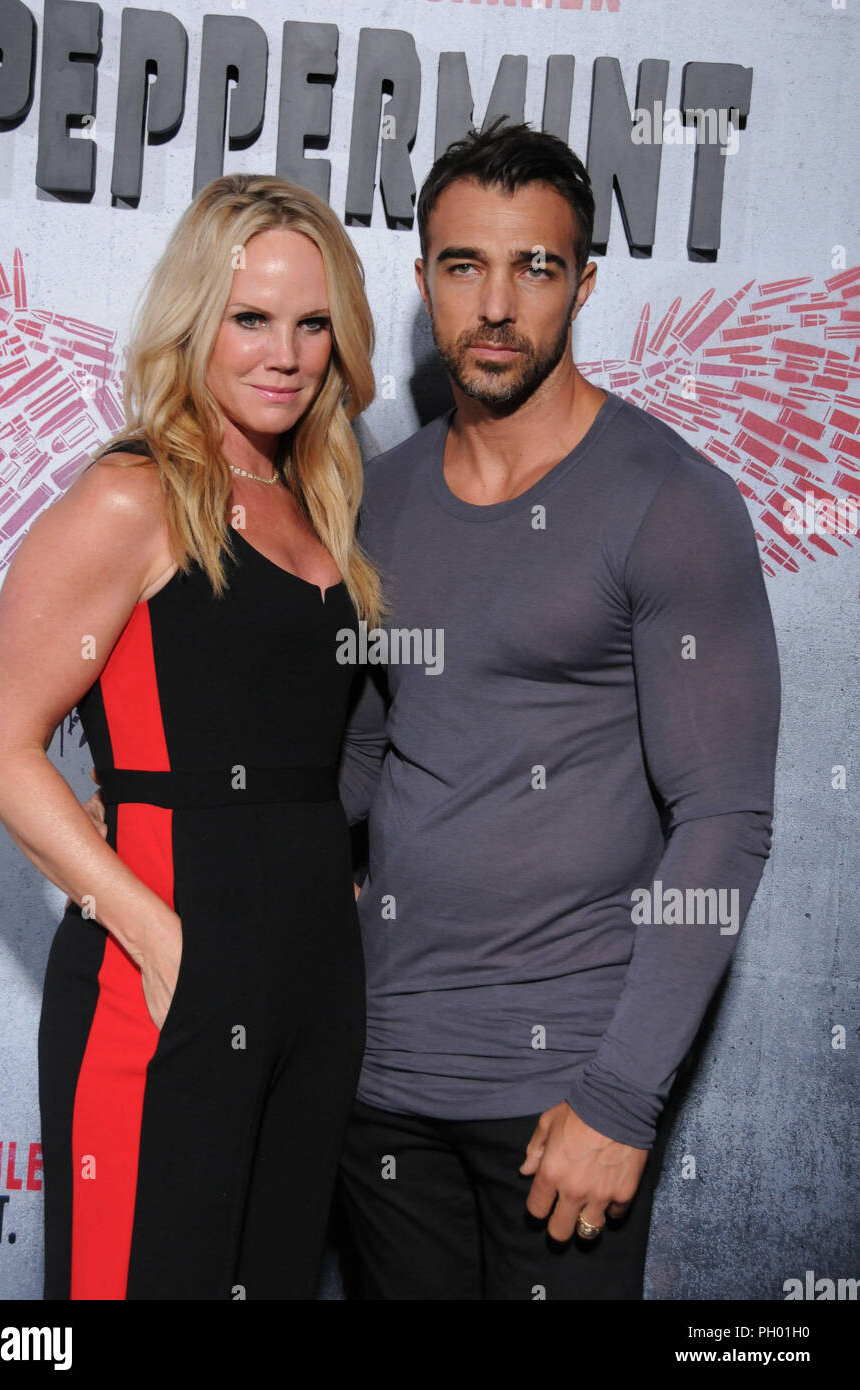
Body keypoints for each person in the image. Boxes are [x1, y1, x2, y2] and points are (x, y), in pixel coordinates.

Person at [334, 121, 782, 1300]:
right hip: (379, 1089)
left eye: (533, 268)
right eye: (463, 265)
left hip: (563, 1098)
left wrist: (621, 1094)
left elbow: (725, 818)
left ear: (582, 284)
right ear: (422, 278)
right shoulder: (378, 503)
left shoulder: (670, 503)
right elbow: (367, 754)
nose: (495, 305)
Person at [0, 173, 383, 1300]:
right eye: (251, 318)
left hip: (312, 986)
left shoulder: (322, 503)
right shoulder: (134, 494)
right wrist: (153, 934)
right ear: (195, 319)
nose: (286, 354)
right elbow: (0, 746)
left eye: (312, 324)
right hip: (166, 972)